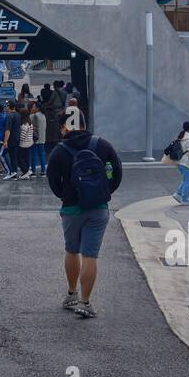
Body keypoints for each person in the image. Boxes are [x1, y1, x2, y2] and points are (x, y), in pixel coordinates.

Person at [47, 111, 122, 319]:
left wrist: (67, 196)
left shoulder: (59, 150)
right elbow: (117, 172)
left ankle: (72, 294)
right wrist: (104, 193)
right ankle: (85, 303)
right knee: (90, 255)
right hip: (98, 208)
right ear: (84, 123)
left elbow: (53, 181)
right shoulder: (102, 145)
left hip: (71, 209)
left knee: (72, 250)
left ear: (64, 127)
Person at [29, 101, 47, 177]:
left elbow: (29, 121)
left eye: (33, 107)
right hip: (42, 138)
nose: (32, 108)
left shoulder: (34, 115)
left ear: (37, 108)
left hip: (35, 138)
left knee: (33, 155)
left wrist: (31, 112)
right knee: (42, 155)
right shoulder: (43, 115)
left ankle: (33, 171)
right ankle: (43, 171)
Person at [16, 106, 34, 179]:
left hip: (23, 144)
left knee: (19, 158)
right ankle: (25, 173)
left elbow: (22, 136)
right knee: (26, 158)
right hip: (30, 143)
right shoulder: (30, 123)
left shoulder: (24, 125)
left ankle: (26, 171)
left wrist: (18, 141)